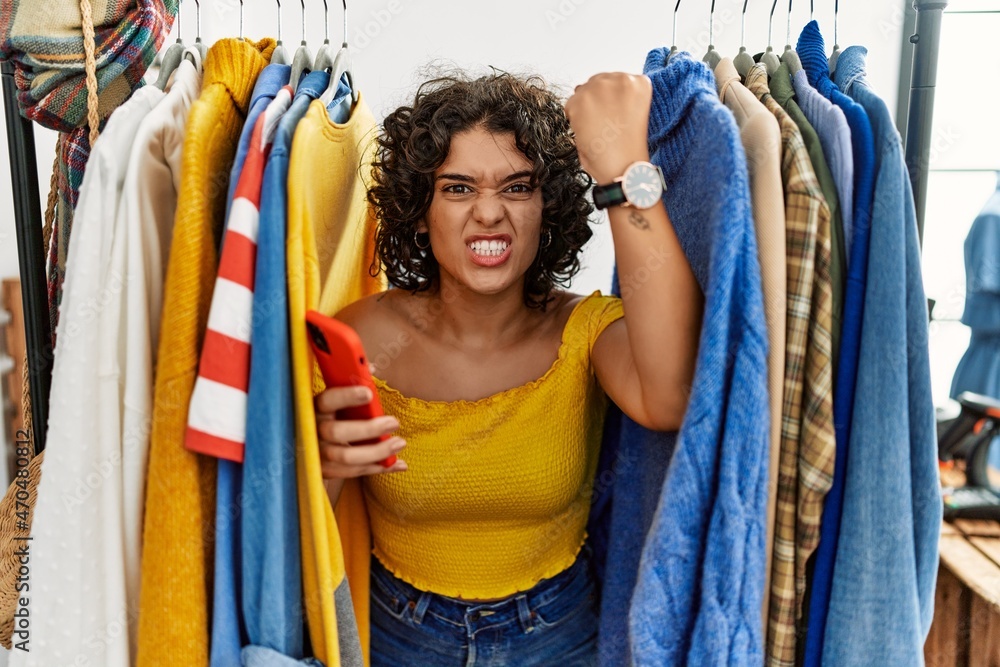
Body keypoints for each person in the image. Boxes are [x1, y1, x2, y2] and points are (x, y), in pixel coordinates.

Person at [313, 69, 703, 665]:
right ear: (420, 211)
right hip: (397, 634)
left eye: (517, 187)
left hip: (558, 632)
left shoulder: (586, 332)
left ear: (547, 207)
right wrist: (319, 468)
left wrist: (623, 171)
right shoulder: (361, 335)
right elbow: (292, 532)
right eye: (458, 188)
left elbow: (671, 394)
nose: (490, 214)